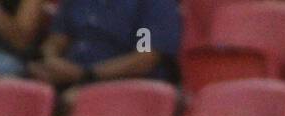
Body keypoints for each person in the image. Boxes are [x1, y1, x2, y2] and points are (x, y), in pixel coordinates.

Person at [28, 0, 181, 92]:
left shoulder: (150, 4)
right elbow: (58, 39)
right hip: (68, 75)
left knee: (74, 100)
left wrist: (86, 75)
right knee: (18, 89)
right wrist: (51, 59)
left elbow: (143, 58)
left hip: (122, 83)